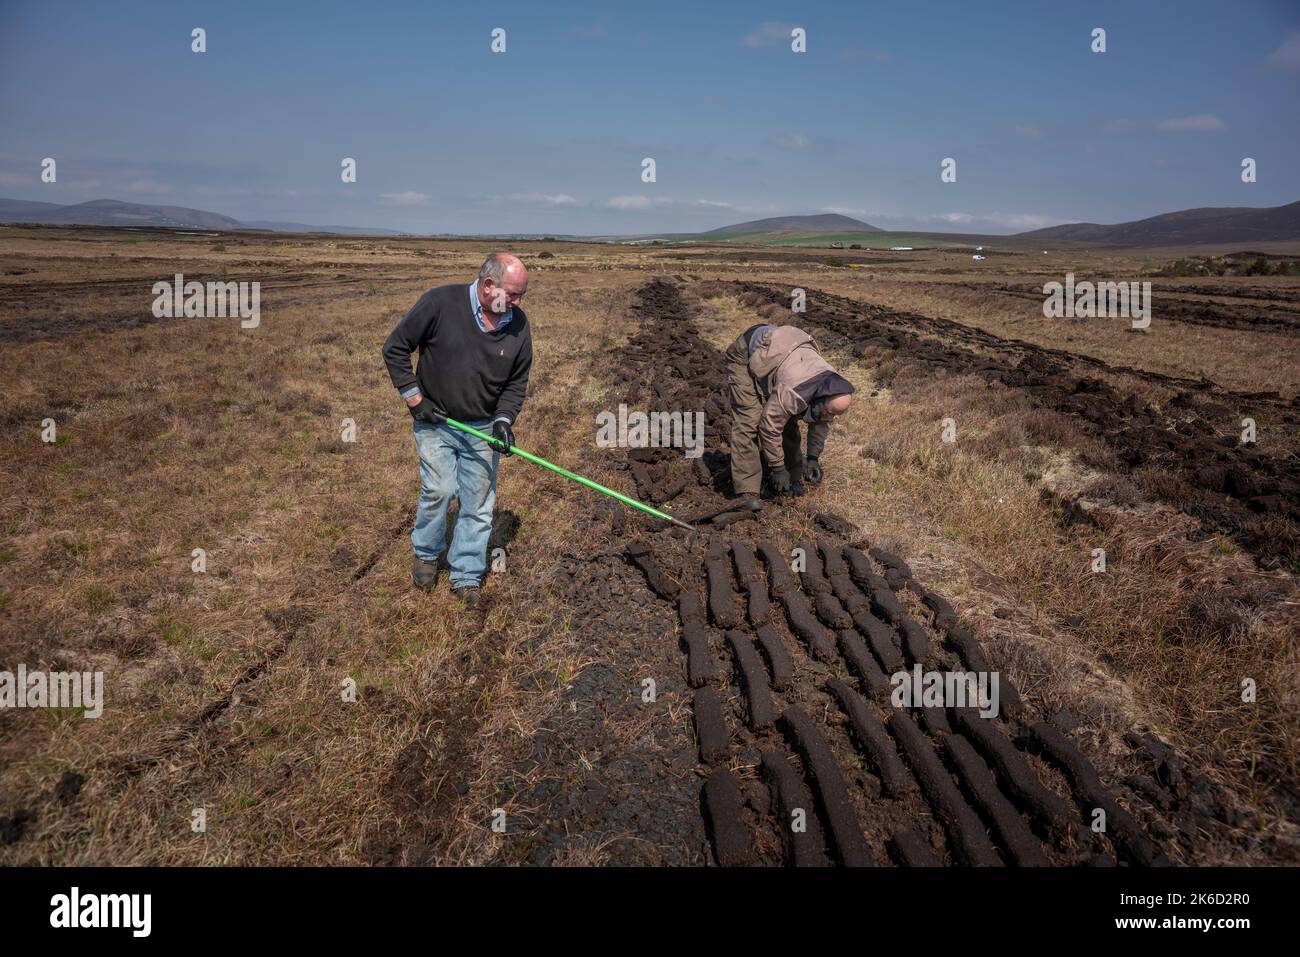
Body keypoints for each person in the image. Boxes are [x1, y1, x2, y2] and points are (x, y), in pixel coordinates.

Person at [381, 253, 533, 606]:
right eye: (512, 294)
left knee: (479, 503)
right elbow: (395, 348)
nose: (517, 303)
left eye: (522, 295)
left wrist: (503, 421)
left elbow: (516, 382)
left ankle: (466, 574)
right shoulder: (439, 303)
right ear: (487, 285)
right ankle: (428, 553)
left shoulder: (519, 325)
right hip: (435, 421)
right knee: (439, 490)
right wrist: (416, 400)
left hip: (482, 428)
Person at [724, 323, 854, 508]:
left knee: (788, 421)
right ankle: (748, 491)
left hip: (782, 351)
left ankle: (792, 479)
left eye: (833, 415)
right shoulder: (795, 391)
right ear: (821, 399)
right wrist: (777, 468)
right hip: (747, 353)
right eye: (829, 412)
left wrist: (812, 458)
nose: (830, 418)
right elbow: (770, 426)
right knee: (750, 422)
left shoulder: (831, 386)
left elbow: (820, 422)